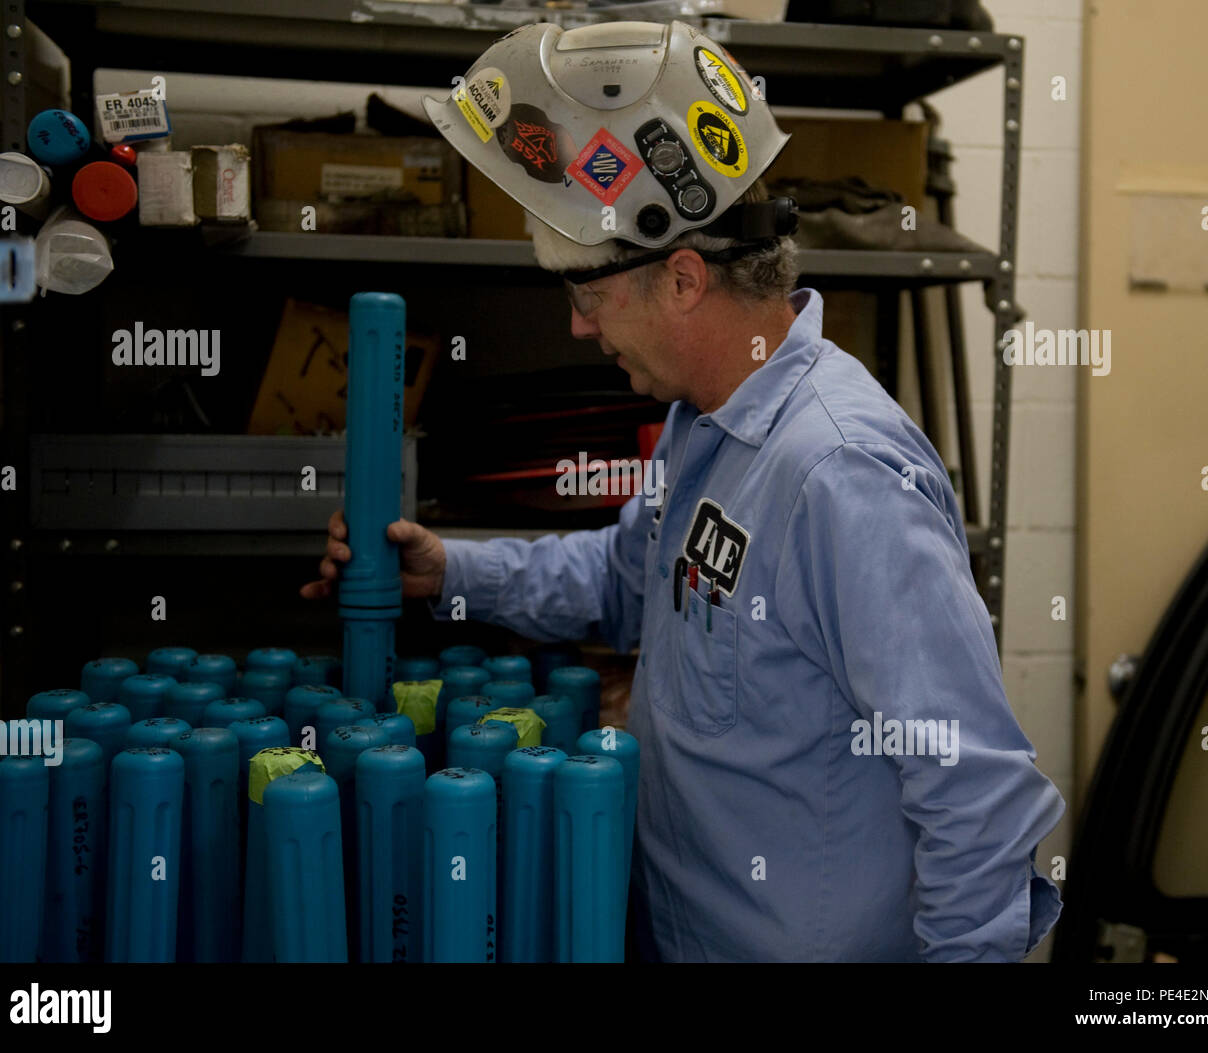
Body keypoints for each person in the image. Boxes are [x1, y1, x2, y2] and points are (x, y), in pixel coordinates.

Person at [302, 20, 1064, 961]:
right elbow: (627, 583)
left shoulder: (840, 474)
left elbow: (978, 799)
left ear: (685, 279)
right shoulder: (703, 423)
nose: (580, 330)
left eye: (589, 298)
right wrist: (450, 570)